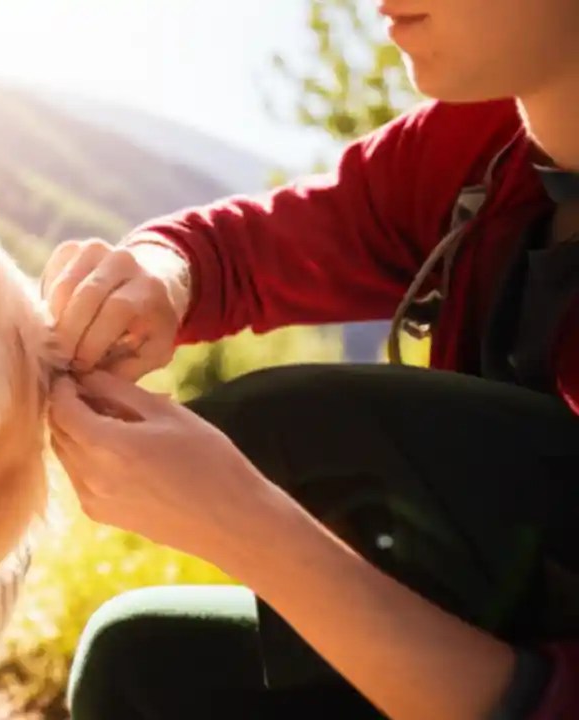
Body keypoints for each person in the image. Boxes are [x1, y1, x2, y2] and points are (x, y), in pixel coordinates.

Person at [41, 1, 579, 718]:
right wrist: (161, 276)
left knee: (299, 421)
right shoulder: (482, 145)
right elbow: (250, 249)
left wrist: (248, 526)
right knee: (139, 665)